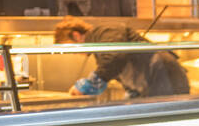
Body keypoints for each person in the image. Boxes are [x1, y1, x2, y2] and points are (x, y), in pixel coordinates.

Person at [53, 17, 189, 98]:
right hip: (154, 80)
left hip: (163, 74)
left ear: (76, 35)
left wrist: (89, 84)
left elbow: (115, 58)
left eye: (70, 48)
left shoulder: (105, 32)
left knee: (170, 121)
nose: (73, 53)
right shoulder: (100, 46)